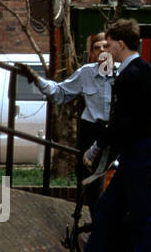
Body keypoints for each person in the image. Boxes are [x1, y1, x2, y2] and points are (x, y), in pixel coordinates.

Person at [61, 19, 151, 252]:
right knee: (108, 210)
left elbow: (121, 122)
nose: (107, 50)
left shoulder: (128, 76)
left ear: (121, 44)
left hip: (137, 151)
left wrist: (98, 146)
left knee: (142, 216)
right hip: (142, 149)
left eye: (109, 45)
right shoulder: (146, 71)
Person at [18, 33, 113, 206]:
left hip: (116, 132)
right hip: (92, 131)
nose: (102, 50)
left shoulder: (124, 74)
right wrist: (36, 78)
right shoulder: (86, 73)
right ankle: (96, 223)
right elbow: (60, 93)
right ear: (91, 54)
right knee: (91, 183)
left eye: (105, 46)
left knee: (115, 182)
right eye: (97, 47)